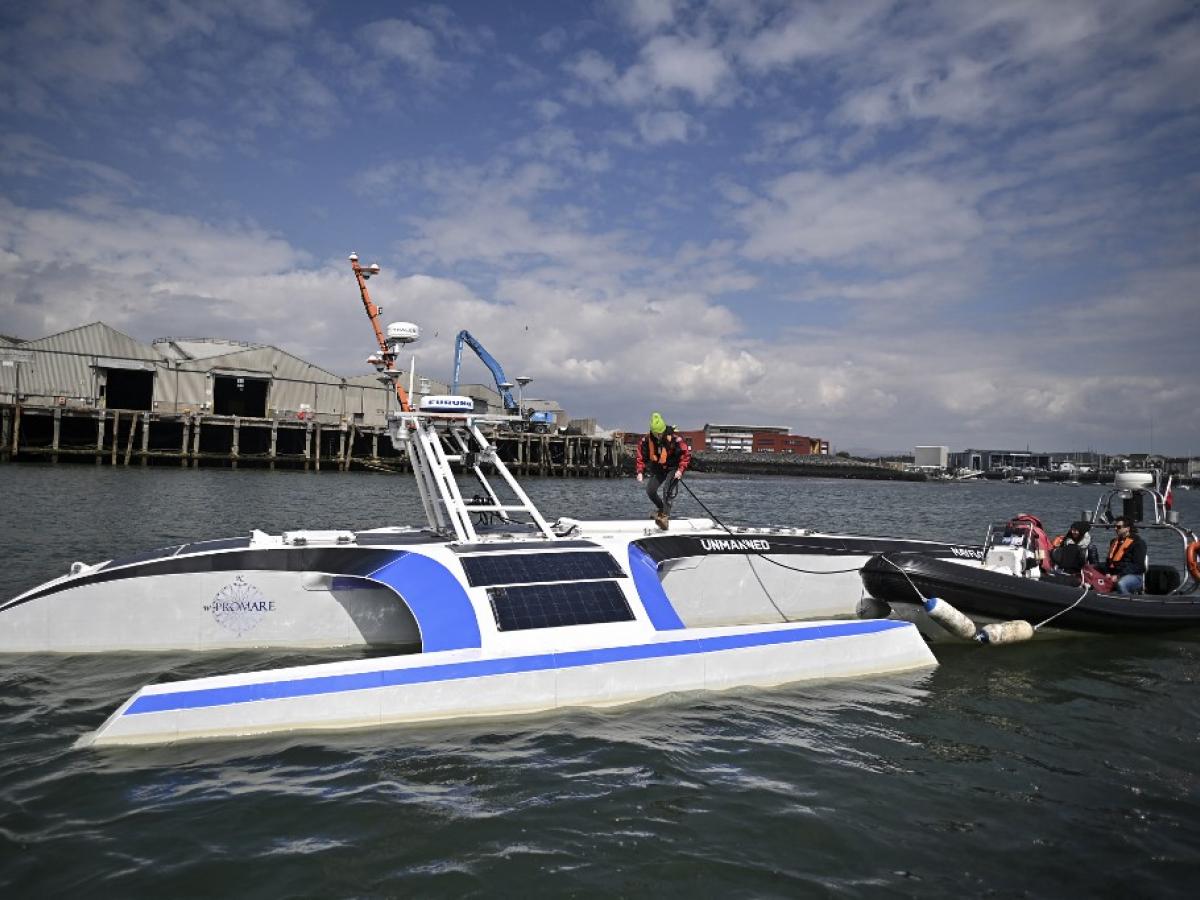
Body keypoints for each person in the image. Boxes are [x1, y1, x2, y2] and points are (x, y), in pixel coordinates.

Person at [635, 412, 691, 530]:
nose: (659, 436)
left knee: (667, 490)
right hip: (659, 468)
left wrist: (680, 470)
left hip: (674, 468)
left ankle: (665, 517)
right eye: (656, 433)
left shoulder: (675, 439)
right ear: (653, 432)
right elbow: (640, 455)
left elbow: (686, 454)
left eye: (661, 433)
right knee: (650, 490)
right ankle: (661, 509)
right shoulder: (646, 440)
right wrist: (640, 471)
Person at [1104, 516, 1147, 595]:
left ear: (1127, 528)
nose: (1115, 529)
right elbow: (1108, 561)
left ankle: (1129, 603)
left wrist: (1118, 576)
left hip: (1134, 576)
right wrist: (1107, 572)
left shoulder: (1138, 543)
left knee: (1121, 584)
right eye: (1115, 526)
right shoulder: (1113, 542)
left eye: (1118, 527)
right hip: (1114, 573)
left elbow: (1138, 566)